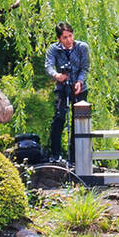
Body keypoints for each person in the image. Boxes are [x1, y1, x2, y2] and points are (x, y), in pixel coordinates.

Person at [44, 22, 90, 163]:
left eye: (70, 36)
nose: (68, 40)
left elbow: (85, 67)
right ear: (59, 39)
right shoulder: (53, 49)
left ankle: (76, 156)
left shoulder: (82, 47)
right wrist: (57, 75)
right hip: (62, 87)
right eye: (65, 37)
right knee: (59, 118)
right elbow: (48, 66)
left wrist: (80, 81)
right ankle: (55, 154)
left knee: (78, 121)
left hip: (79, 88)